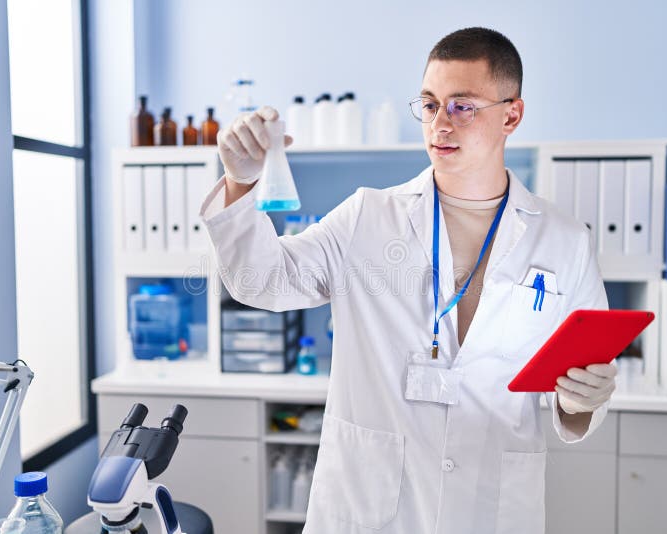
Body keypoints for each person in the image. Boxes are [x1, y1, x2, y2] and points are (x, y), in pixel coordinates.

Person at [199, 27, 616, 534]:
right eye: (429, 103)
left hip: (491, 509)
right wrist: (242, 181)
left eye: (462, 106)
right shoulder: (367, 217)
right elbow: (259, 281)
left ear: (511, 114)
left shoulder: (564, 241)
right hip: (370, 511)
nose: (440, 123)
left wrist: (579, 399)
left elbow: (576, 388)